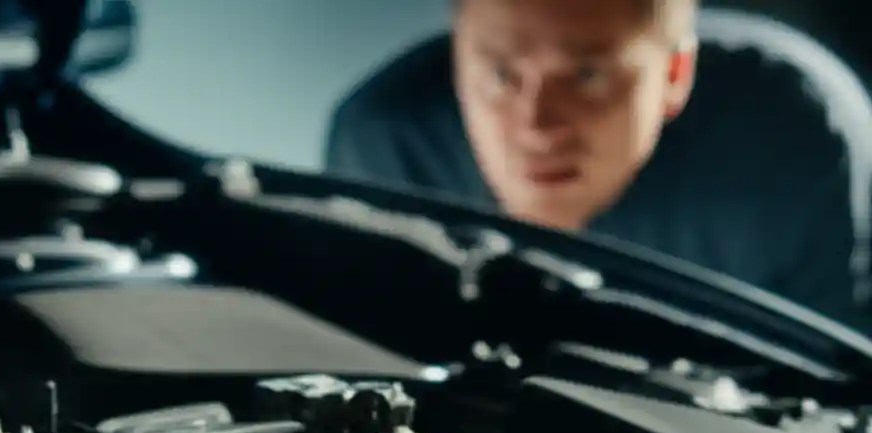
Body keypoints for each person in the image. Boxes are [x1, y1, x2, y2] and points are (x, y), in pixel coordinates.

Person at [325, 0, 872, 329]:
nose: (536, 125)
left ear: (675, 74)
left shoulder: (797, 142)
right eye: (501, 74)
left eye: (586, 77)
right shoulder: (384, 147)